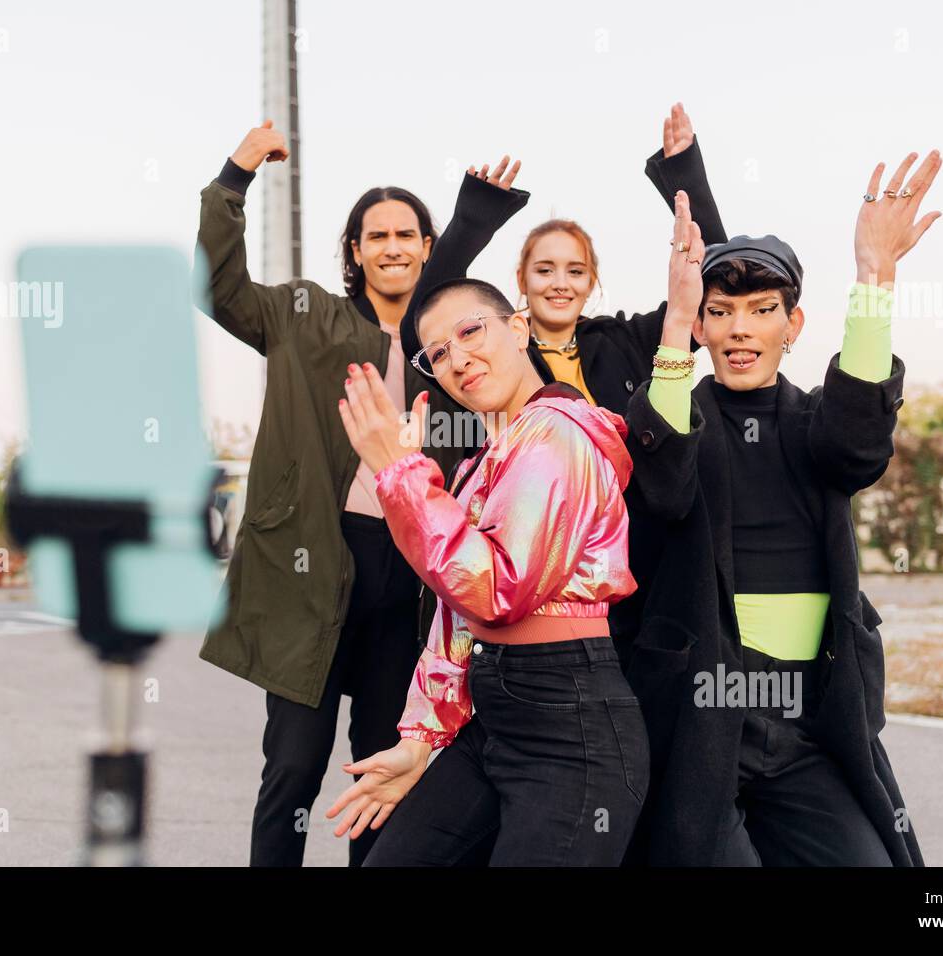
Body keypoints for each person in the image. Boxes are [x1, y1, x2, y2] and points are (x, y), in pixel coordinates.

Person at [193, 119, 530, 866]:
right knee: (293, 771)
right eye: (376, 235)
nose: (393, 247)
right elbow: (216, 288)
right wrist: (235, 176)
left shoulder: (451, 347)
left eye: (408, 235)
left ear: (427, 246)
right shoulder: (303, 315)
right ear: (355, 251)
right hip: (314, 567)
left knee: (382, 770)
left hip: (409, 579)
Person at [621, 150, 943, 865]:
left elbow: (860, 440)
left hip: (808, 729)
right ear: (702, 328)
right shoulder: (680, 418)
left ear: (792, 325)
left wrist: (874, 280)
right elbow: (663, 481)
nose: (740, 329)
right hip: (702, 722)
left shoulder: (816, 428)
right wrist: (673, 325)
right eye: (720, 312)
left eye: (762, 311)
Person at [324, 277, 649, 866]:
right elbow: (459, 614)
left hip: (570, 727)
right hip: (495, 717)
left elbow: (497, 590)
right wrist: (421, 740)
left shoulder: (558, 433)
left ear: (519, 328)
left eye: (470, 330)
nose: (458, 359)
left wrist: (399, 474)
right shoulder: (482, 463)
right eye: (439, 354)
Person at [403, 103, 729, 659]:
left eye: (575, 270)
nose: (560, 282)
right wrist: (472, 221)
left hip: (628, 572)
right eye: (544, 270)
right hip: (523, 581)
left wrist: (684, 179)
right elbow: (426, 330)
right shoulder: (491, 362)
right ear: (520, 289)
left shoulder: (628, 342)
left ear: (592, 281)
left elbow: (708, 290)